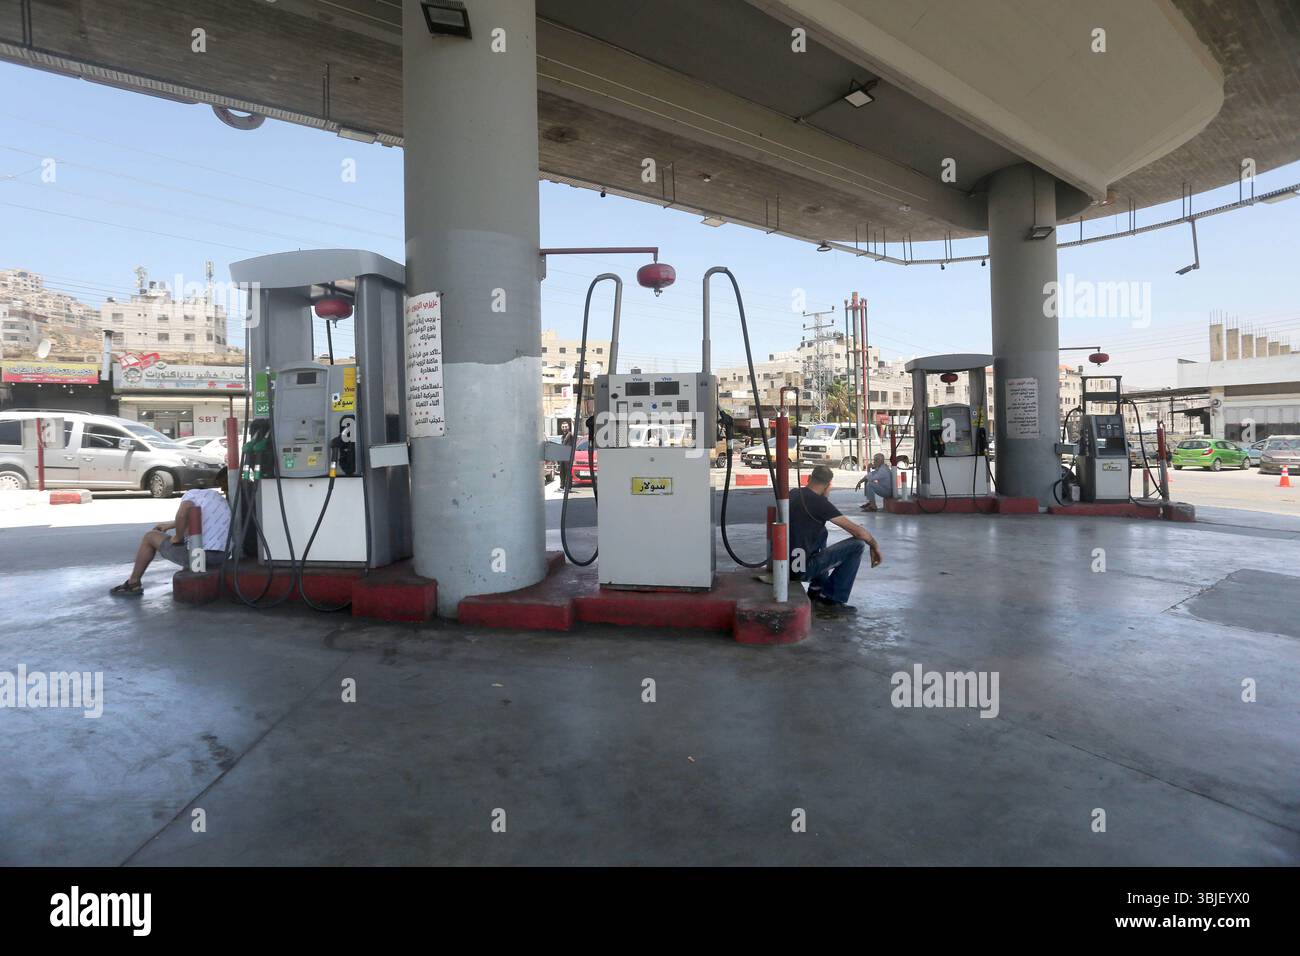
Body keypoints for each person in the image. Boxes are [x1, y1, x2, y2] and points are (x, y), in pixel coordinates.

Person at [789, 465, 882, 613]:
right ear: (829, 485)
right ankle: (831, 600)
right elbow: (858, 532)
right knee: (857, 545)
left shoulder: (793, 493)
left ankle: (816, 590)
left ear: (808, 479)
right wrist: (874, 545)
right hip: (800, 570)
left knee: (821, 531)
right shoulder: (821, 504)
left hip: (784, 566)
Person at [110, 487, 231, 596]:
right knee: (189, 539)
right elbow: (197, 517)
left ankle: (133, 583)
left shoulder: (191, 494)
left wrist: (177, 537)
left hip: (201, 557)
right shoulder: (217, 498)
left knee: (150, 537)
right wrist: (170, 525)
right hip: (224, 556)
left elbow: (183, 513)